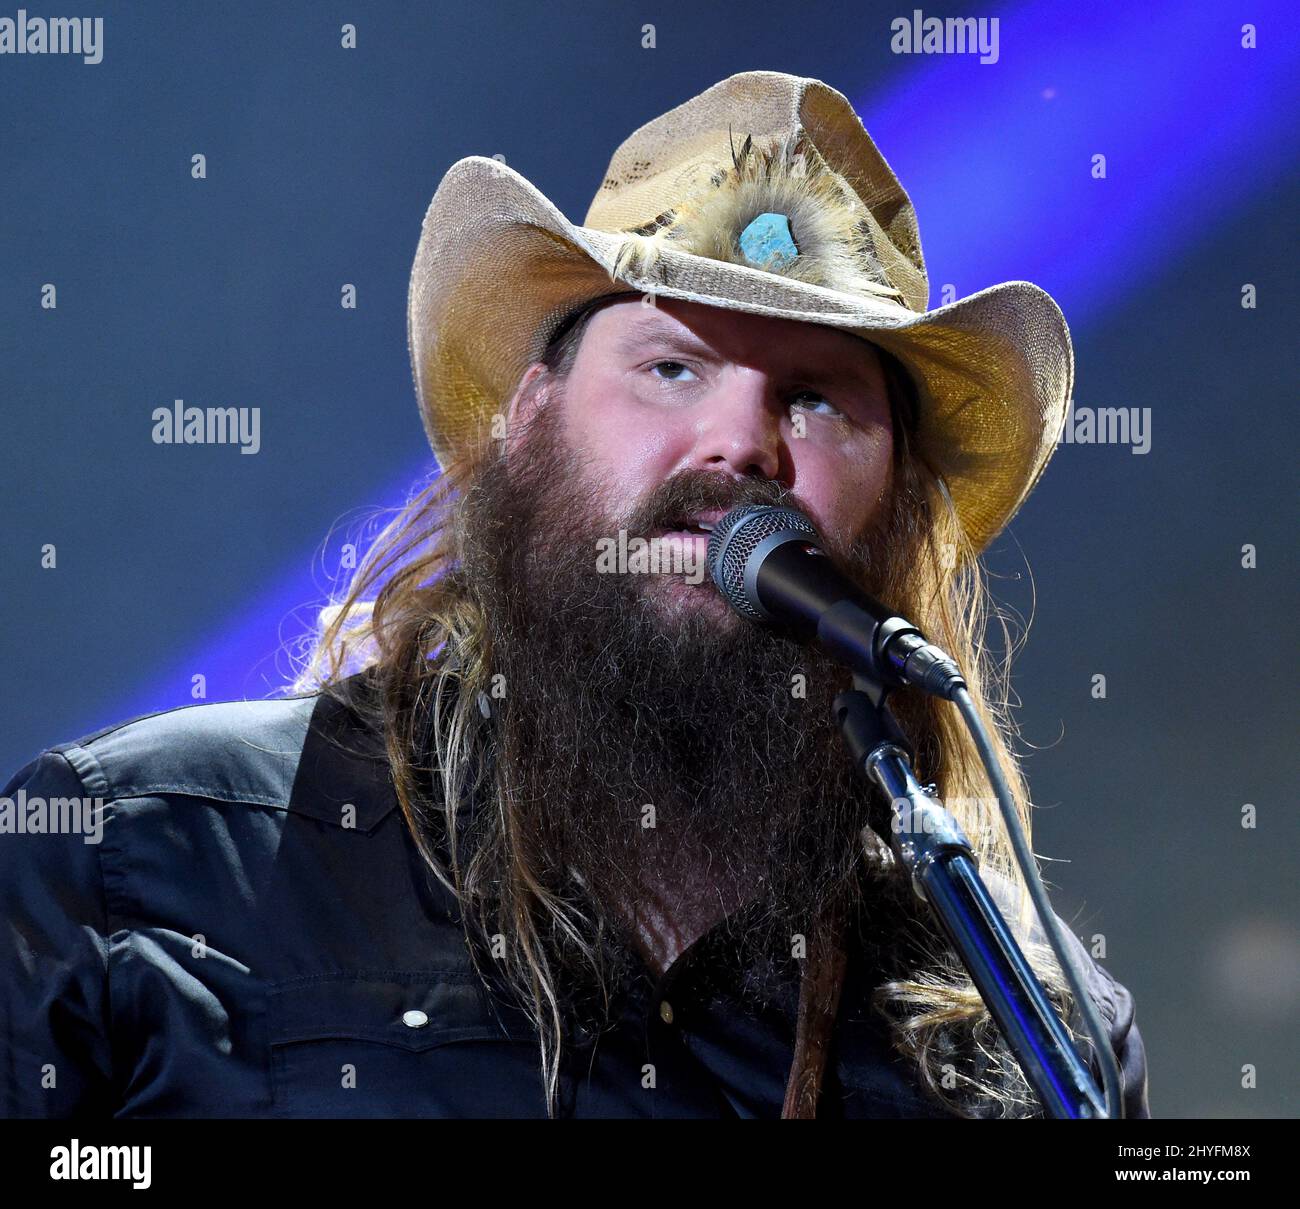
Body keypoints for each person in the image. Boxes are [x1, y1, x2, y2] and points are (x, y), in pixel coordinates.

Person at [0, 70, 1149, 1119]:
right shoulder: (134, 855)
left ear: (895, 497)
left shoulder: (1029, 1031)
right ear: (527, 420)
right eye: (671, 367)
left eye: (813, 400)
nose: (737, 444)